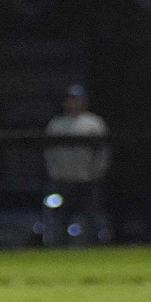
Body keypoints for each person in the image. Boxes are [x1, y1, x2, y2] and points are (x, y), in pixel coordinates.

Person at [43, 84, 111, 247]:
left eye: (76, 99)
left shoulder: (94, 123)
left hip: (89, 178)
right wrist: (54, 173)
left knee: (92, 216)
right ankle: (58, 248)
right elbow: (49, 153)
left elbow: (103, 152)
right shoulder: (56, 124)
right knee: (60, 217)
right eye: (70, 100)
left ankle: (96, 247)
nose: (72, 103)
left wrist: (98, 171)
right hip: (64, 180)